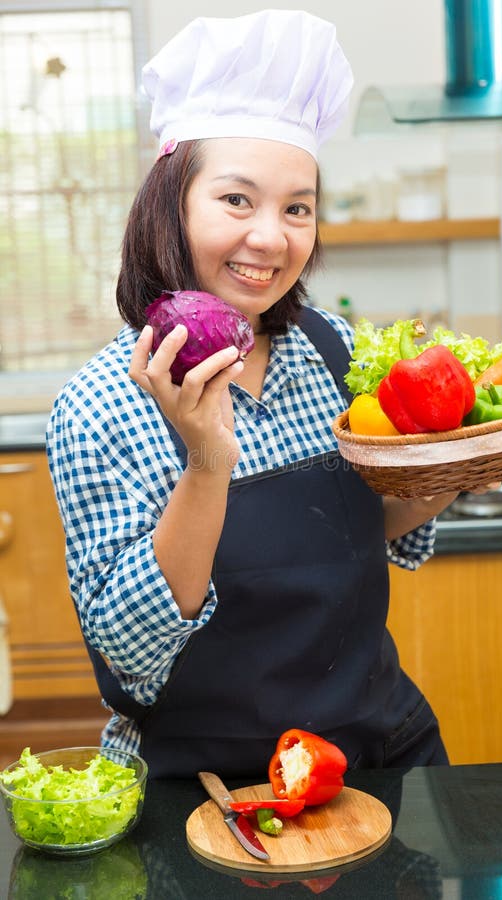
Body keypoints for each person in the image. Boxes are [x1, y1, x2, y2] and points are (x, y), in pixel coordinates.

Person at [47, 10, 460, 779]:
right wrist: (206, 461)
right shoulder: (102, 402)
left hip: (377, 754)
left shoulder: (331, 349)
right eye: (237, 200)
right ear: (172, 203)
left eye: (296, 207)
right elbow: (130, 647)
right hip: (208, 783)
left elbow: (367, 530)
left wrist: (456, 463)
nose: (272, 237)